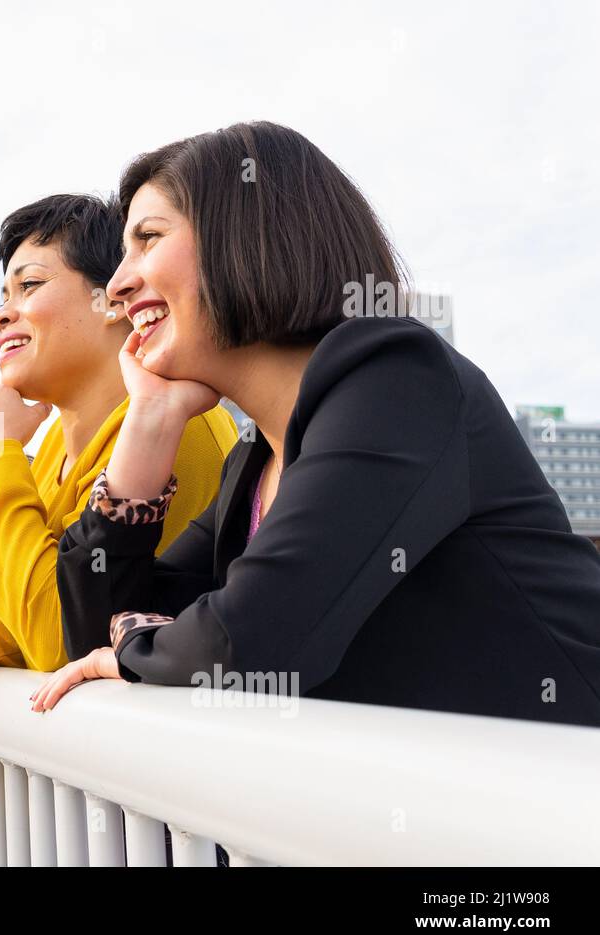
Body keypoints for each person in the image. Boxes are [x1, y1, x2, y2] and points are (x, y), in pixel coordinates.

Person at [37, 122, 600, 728]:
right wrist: (149, 419)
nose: (118, 285)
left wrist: (136, 643)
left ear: (246, 238)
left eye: (149, 237)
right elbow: (92, 631)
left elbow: (245, 643)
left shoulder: (398, 378)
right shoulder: (252, 464)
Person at [0, 195, 237, 767]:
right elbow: (18, 613)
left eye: (29, 286)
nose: (2, 314)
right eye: (4, 295)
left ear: (112, 298)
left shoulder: (175, 424)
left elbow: (60, 634)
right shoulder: (56, 442)